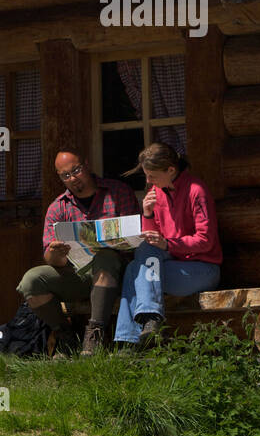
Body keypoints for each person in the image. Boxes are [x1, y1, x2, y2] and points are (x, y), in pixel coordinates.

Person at [16, 149, 139, 354]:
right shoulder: (58, 208)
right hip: (79, 272)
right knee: (31, 281)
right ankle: (66, 335)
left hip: (117, 274)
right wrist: (56, 252)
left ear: (87, 165)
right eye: (66, 175)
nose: (73, 178)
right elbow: (50, 257)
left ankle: (95, 333)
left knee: (105, 256)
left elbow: (135, 236)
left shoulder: (118, 191)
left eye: (76, 170)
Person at [114, 142, 222, 348]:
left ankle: (131, 337)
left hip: (202, 269)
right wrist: (147, 213)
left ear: (171, 170)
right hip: (168, 265)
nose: (148, 181)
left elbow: (205, 241)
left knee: (135, 270)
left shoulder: (196, 190)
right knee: (137, 263)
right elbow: (152, 239)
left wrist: (169, 245)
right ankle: (143, 328)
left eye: (152, 176)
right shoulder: (158, 191)